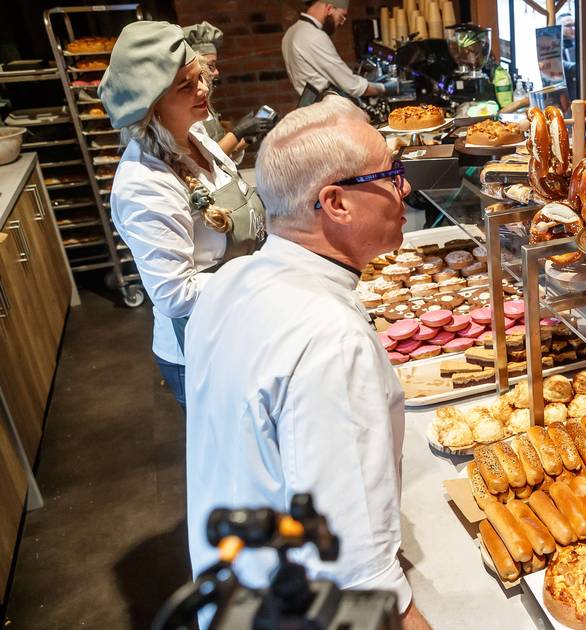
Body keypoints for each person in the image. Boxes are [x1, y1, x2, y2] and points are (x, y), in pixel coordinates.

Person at [184, 95, 431, 629]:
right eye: (391, 175)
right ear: (335, 203)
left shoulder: (231, 280)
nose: (405, 187)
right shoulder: (329, 339)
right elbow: (358, 570)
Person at [100, 21, 267, 410]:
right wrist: (264, 272)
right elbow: (174, 295)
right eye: (186, 86)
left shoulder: (197, 137)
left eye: (200, 77)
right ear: (151, 105)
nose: (204, 89)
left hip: (245, 325)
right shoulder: (144, 184)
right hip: (203, 350)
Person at [181, 21, 274, 163]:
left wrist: (248, 137)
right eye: (211, 66)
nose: (217, 72)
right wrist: (238, 132)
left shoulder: (204, 104)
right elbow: (208, 160)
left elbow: (226, 152)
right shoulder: (187, 111)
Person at [282, 0, 399, 98]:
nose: (342, 22)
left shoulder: (292, 32)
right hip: (324, 111)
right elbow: (353, 87)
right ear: (330, 8)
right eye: (342, 15)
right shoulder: (313, 35)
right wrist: (386, 88)